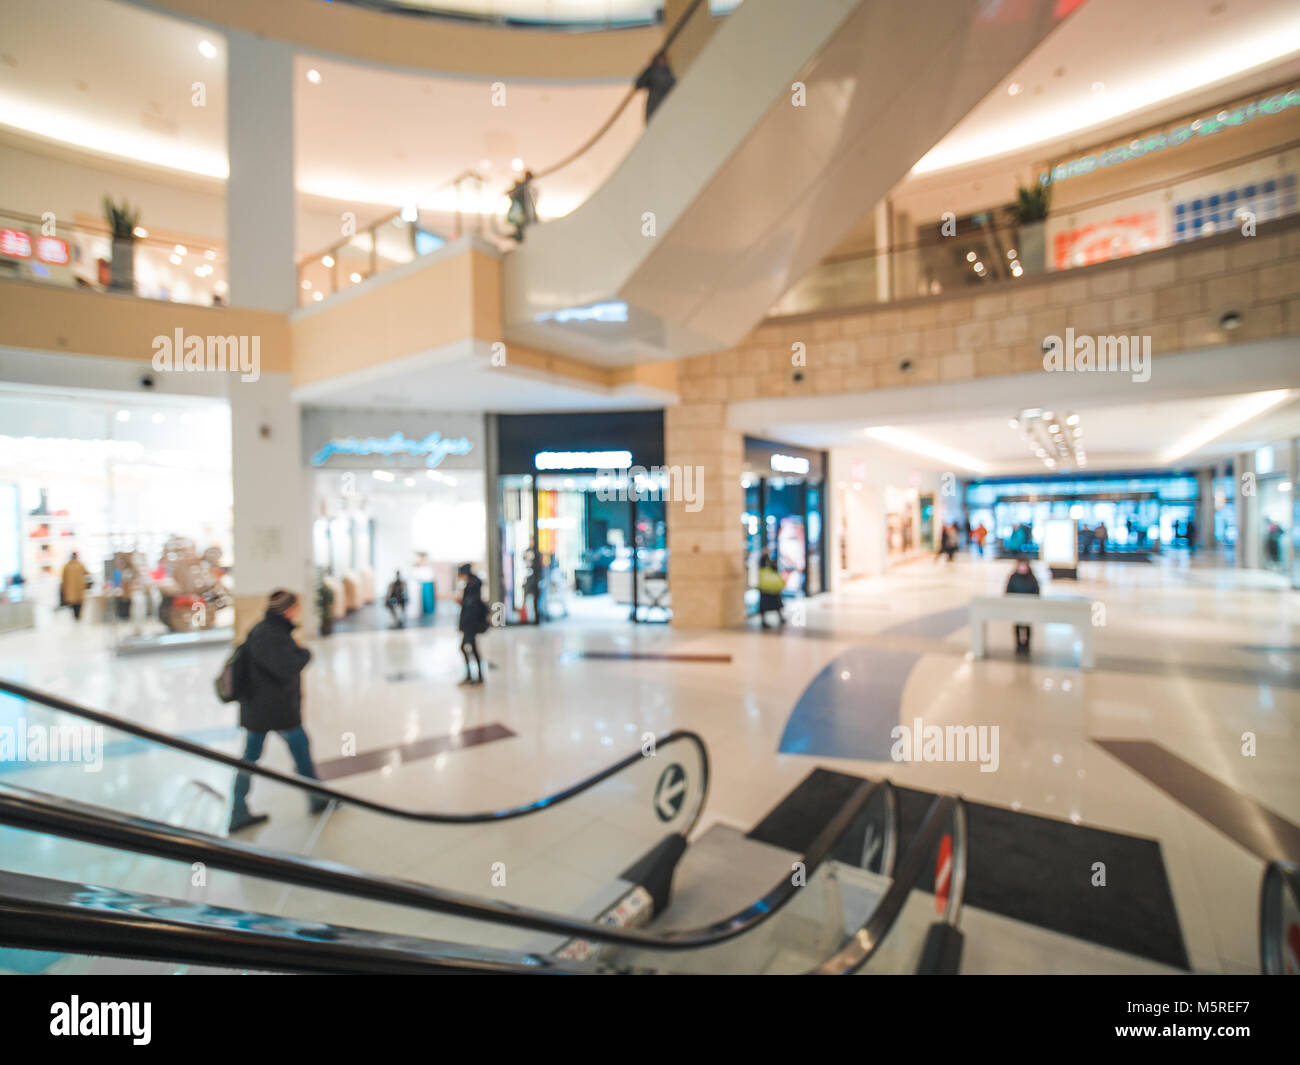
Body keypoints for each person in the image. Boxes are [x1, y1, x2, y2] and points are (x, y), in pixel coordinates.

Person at [229, 590, 326, 833]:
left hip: (258, 709)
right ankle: (317, 799)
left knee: (251, 759)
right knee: (299, 751)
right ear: (288, 609)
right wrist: (305, 654)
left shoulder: (263, 629)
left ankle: (238, 810)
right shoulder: (273, 634)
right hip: (275, 709)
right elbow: (285, 668)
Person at [456, 563, 489, 685]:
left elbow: (471, 606)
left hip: (471, 624)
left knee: (467, 648)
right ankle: (474, 675)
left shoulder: (473, 585)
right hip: (468, 623)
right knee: (471, 648)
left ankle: (475, 675)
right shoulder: (470, 585)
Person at [1005, 559, 1040, 656]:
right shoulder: (1013, 577)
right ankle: (1018, 644)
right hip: (1017, 608)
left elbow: (1037, 591)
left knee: (1027, 626)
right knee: (1018, 626)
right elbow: (1008, 591)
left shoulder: (1032, 578)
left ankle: (1027, 645)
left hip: (1028, 608)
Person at [634, 51, 676, 123]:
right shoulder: (652, 71)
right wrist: (650, 68)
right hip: (654, 103)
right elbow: (639, 85)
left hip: (664, 104)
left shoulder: (667, 71)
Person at [506, 170, 538, 242]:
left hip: (525, 211)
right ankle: (519, 236)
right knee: (520, 225)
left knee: (523, 225)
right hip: (521, 210)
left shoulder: (526, 188)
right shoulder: (522, 186)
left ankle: (520, 236)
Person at [755, 552, 785, 629]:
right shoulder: (766, 563)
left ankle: (777, 618)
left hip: (766, 588)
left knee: (772, 603)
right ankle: (776, 619)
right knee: (773, 603)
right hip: (767, 588)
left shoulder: (763, 565)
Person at [60, 552, 88, 621]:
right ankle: (78, 616)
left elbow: (63, 578)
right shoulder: (80, 565)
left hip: (70, 589)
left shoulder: (66, 566)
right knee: (79, 603)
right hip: (79, 588)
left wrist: (63, 587)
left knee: (73, 604)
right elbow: (87, 573)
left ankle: (75, 617)